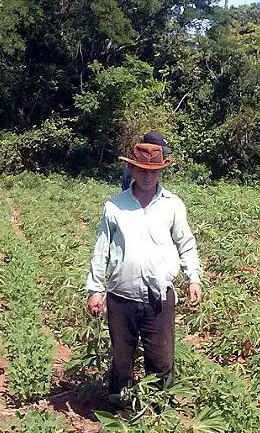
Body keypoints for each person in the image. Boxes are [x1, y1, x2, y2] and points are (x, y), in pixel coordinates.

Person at [86, 142, 202, 405]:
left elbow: (186, 243)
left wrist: (193, 278)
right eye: (142, 170)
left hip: (159, 295)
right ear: (132, 169)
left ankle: (159, 408)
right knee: (121, 359)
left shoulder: (172, 205)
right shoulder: (114, 206)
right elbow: (101, 249)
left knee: (161, 359)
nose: (148, 176)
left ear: (160, 171)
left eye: (154, 171)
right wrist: (95, 289)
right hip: (121, 295)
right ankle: (119, 408)